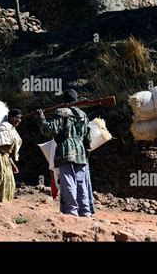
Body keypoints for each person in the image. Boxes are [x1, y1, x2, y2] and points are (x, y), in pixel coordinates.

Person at [37, 89, 92, 217]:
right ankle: (84, 211)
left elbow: (49, 130)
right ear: (76, 100)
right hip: (81, 151)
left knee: (68, 180)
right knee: (81, 182)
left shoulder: (61, 112)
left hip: (65, 150)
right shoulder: (83, 114)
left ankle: (71, 210)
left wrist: (41, 118)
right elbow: (88, 138)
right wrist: (86, 152)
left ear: (64, 100)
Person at [0, 109, 23, 202]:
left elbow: (9, 152)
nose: (19, 120)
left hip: (6, 159)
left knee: (10, 182)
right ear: (10, 117)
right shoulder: (3, 128)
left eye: (20, 118)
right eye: (16, 117)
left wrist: (13, 165)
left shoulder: (13, 130)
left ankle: (6, 201)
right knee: (1, 180)